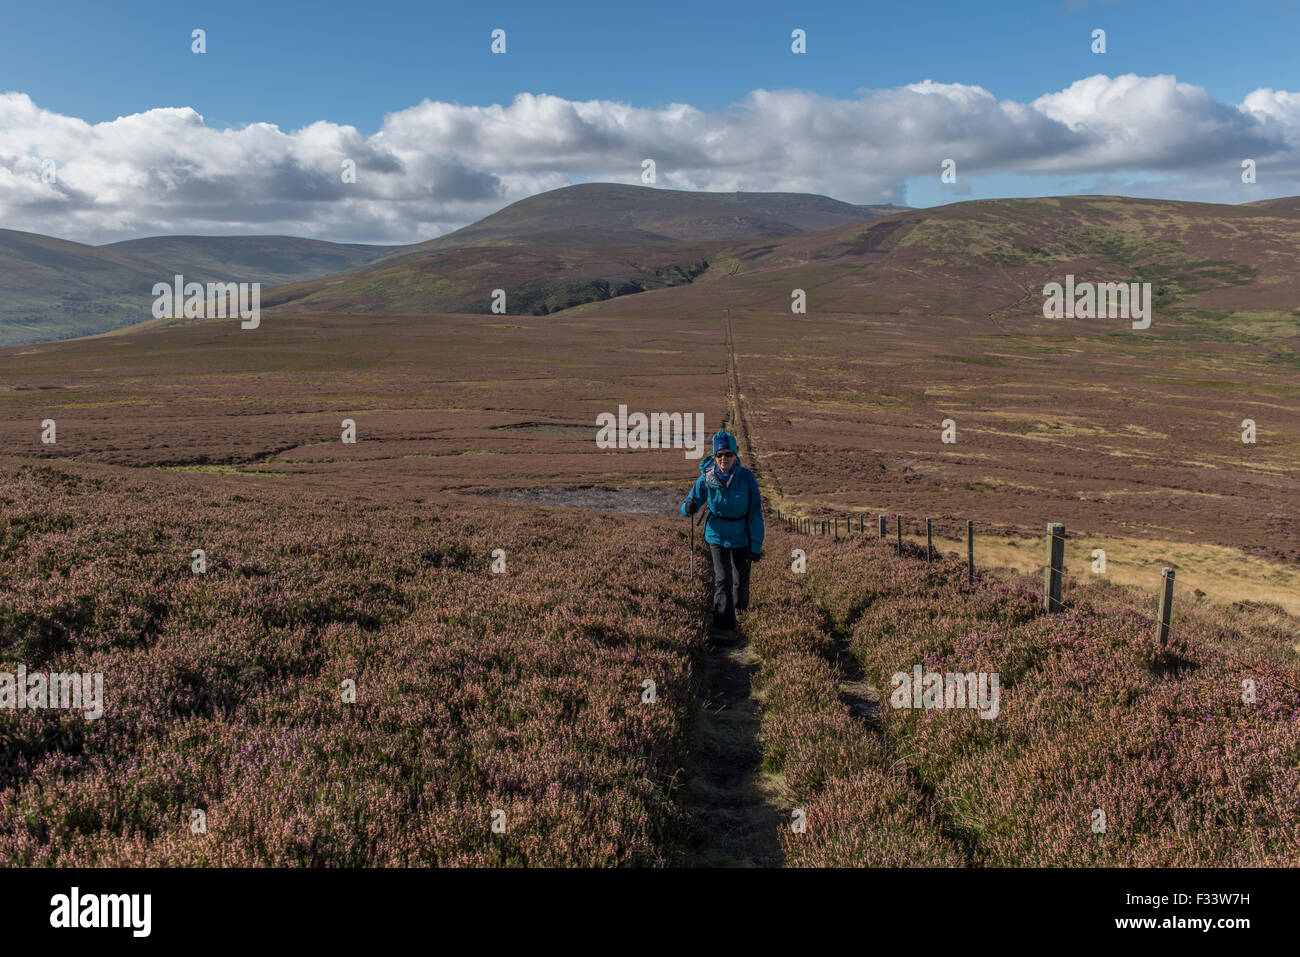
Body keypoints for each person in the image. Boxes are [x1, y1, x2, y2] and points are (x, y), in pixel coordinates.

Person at [681, 430, 764, 641]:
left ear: (735, 456)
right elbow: (689, 501)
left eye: (728, 454)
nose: (723, 459)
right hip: (716, 534)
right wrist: (689, 507)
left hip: (741, 536)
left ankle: (740, 609)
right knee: (722, 579)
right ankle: (723, 628)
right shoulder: (707, 478)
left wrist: (755, 546)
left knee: (740, 582)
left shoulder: (746, 478)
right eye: (720, 455)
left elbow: (755, 512)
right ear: (714, 457)